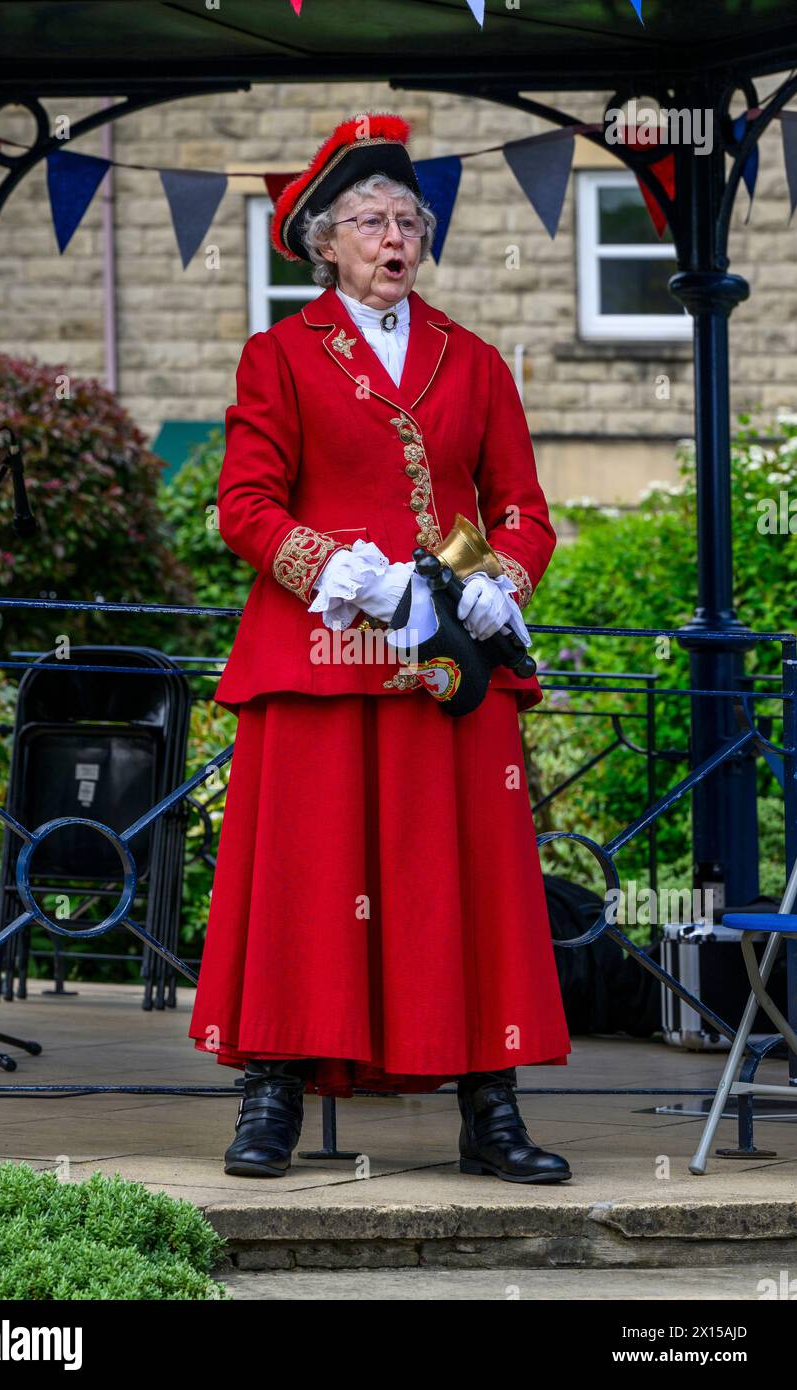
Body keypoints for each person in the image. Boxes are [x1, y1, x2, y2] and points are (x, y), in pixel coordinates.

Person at [188, 112, 572, 1184]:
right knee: (306, 879)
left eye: (408, 218)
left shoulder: (476, 359)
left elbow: (522, 507)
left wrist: (504, 582)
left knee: (469, 883)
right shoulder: (279, 356)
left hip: (450, 667)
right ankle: (268, 1095)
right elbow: (245, 506)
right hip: (321, 659)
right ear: (324, 239)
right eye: (369, 220)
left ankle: (488, 1109)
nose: (394, 235)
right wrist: (338, 570)